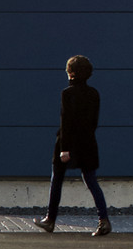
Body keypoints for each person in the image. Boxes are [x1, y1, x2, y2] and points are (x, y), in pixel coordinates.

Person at [33, 53, 110, 236]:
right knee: (91, 181)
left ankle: (50, 220)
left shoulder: (67, 94)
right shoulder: (94, 93)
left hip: (67, 143)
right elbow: (93, 122)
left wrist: (64, 149)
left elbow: (66, 122)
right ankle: (103, 220)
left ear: (71, 73)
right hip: (88, 143)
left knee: (57, 180)